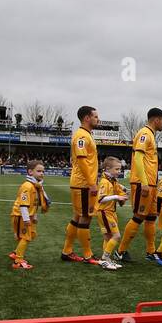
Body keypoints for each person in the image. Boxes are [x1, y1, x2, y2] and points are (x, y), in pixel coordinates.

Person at [117, 107, 162, 262]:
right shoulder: (144, 134)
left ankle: (150, 251)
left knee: (151, 218)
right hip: (142, 183)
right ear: (156, 120)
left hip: (151, 184)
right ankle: (121, 251)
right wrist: (144, 183)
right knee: (139, 216)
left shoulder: (150, 135)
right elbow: (137, 159)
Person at [62, 105, 101, 265]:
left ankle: (67, 251)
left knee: (77, 217)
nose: (98, 119)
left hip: (82, 183)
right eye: (96, 116)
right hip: (83, 184)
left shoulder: (85, 135)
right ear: (87, 118)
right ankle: (87, 254)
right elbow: (82, 161)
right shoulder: (81, 136)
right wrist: (92, 183)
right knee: (85, 218)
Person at [9, 160, 49, 270]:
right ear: (30, 172)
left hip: (28, 216)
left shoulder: (36, 186)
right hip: (21, 216)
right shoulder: (28, 186)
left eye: (43, 171)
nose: (42, 173)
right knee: (25, 237)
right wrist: (26, 219)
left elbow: (34, 203)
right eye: (39, 171)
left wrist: (34, 216)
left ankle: (16, 253)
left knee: (32, 234)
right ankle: (18, 261)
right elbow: (23, 205)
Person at [96, 156, 128, 270]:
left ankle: (106, 259)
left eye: (120, 169)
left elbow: (116, 186)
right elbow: (101, 199)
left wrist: (122, 189)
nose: (119, 172)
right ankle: (104, 259)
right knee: (116, 236)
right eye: (117, 169)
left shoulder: (111, 180)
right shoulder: (105, 182)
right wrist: (117, 197)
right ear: (108, 169)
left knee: (108, 237)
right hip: (105, 212)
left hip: (109, 211)